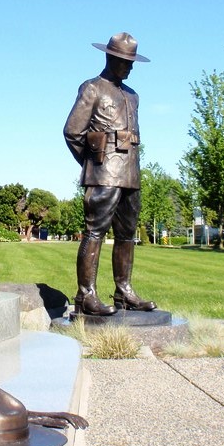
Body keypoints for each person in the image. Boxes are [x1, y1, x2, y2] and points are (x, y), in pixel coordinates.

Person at [63, 32, 156, 315]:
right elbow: (73, 132)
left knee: (127, 234)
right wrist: (94, 164)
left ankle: (124, 292)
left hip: (130, 173)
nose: (130, 67)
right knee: (95, 232)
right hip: (104, 172)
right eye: (125, 61)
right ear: (110, 57)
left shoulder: (132, 96)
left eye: (132, 62)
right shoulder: (92, 88)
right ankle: (86, 295)